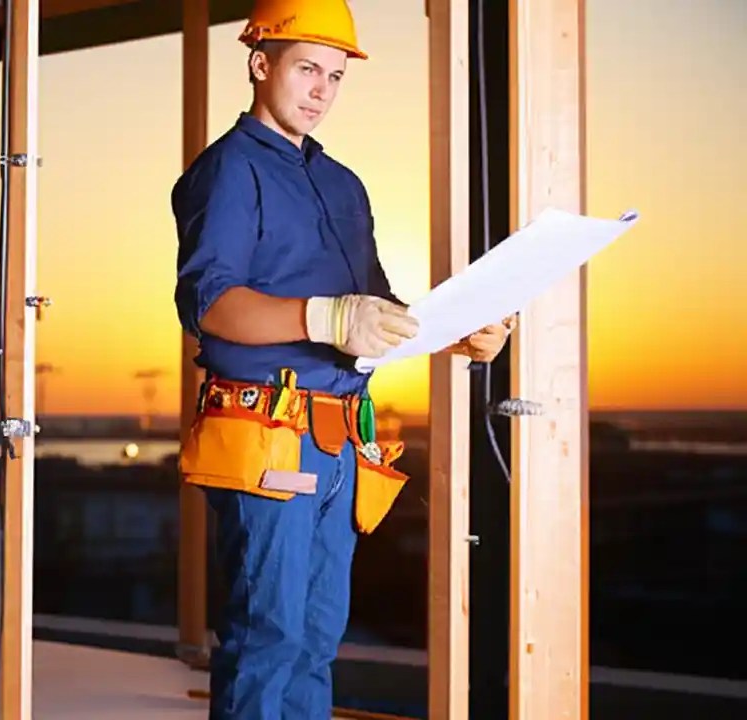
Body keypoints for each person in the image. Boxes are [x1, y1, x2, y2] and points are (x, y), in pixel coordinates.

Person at [171, 1, 513, 717]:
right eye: (307, 69)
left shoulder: (343, 184)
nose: (321, 90)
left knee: (316, 638)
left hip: (341, 442)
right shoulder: (228, 171)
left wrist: (458, 332)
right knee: (267, 638)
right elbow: (209, 302)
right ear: (260, 64)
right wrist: (327, 317)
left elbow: (375, 310)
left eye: (334, 75)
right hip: (268, 438)